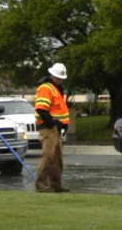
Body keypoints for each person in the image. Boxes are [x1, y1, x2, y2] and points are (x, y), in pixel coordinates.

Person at [34, 62, 70, 192]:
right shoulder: (46, 88)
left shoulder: (55, 88)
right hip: (49, 128)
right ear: (53, 76)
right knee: (48, 156)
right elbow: (41, 109)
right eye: (60, 78)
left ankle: (55, 184)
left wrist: (61, 125)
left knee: (57, 158)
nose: (61, 80)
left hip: (55, 128)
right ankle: (41, 183)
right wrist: (52, 124)